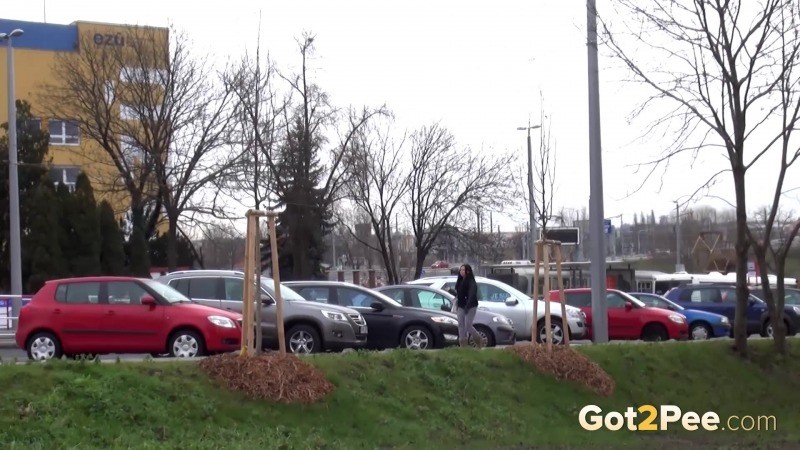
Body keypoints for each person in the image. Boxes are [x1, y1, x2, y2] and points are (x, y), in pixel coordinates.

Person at [454, 264, 484, 348]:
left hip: (470, 306)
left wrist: (468, 306)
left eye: (463, 270)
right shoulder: (459, 281)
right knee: (461, 325)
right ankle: (463, 345)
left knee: (468, 325)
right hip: (461, 305)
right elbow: (460, 294)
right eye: (460, 270)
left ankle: (478, 340)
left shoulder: (471, 282)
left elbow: (472, 295)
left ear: (467, 271)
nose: (461, 271)